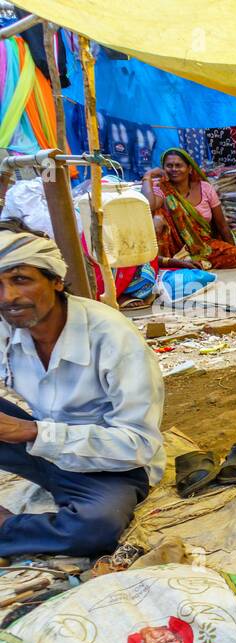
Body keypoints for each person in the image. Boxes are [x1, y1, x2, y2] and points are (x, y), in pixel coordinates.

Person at [0, 232, 164, 559]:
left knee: (95, 527)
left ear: (57, 281)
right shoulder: (7, 326)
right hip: (42, 445)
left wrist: (30, 431)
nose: (9, 297)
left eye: (21, 279)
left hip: (112, 465)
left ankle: (7, 529)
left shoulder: (113, 338)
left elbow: (140, 445)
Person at [143, 148, 236, 269]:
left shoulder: (205, 188)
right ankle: (178, 261)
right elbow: (148, 206)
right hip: (175, 248)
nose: (174, 169)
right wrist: (147, 176)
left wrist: (234, 248)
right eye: (169, 166)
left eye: (178, 165)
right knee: (158, 216)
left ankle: (185, 263)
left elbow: (221, 224)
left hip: (202, 244)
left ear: (189, 168)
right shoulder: (162, 188)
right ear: (163, 169)